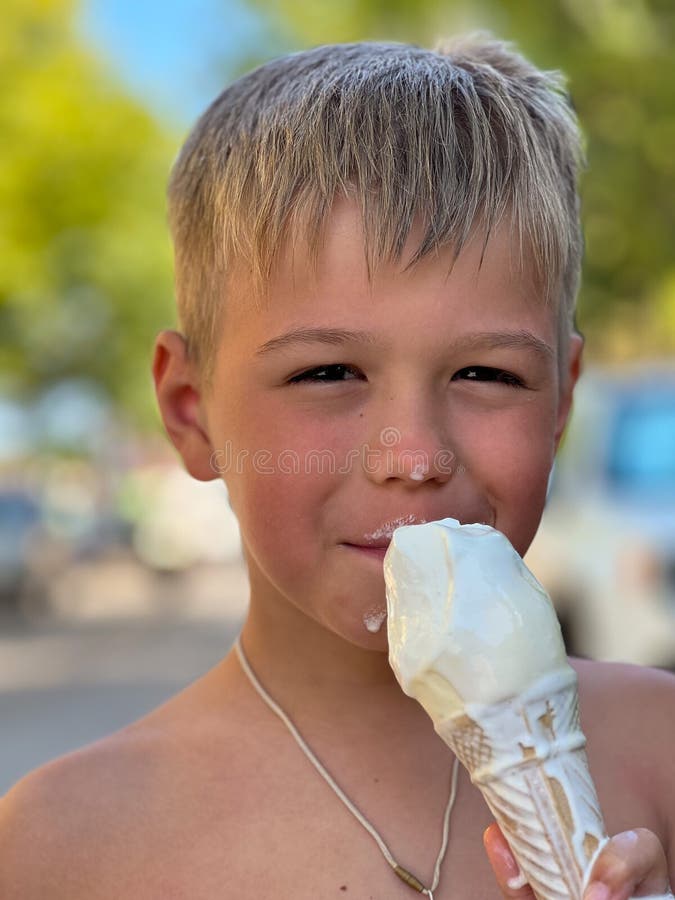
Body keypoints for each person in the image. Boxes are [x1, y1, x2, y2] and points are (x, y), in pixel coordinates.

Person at [1, 34, 674, 900]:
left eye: (486, 375)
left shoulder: (658, 751)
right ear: (190, 413)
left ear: (560, 404)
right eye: (326, 373)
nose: (415, 456)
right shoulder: (65, 846)